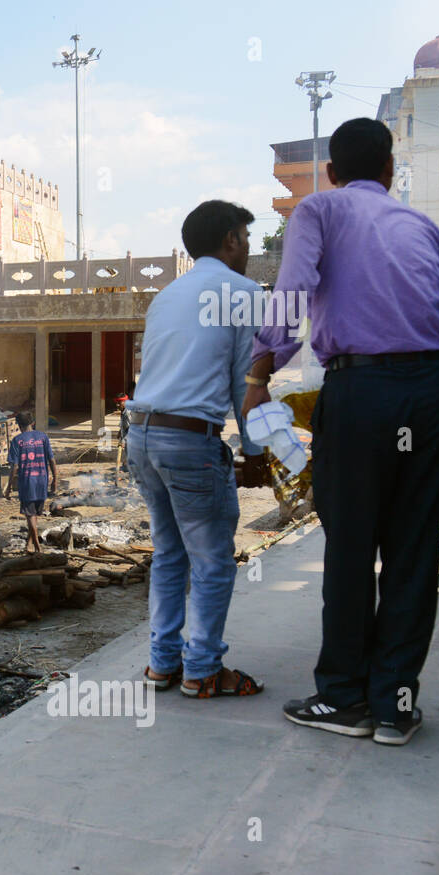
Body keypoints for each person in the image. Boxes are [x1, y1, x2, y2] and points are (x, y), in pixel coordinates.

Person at [247, 118, 439, 745]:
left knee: (350, 548)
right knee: (413, 551)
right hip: (431, 392)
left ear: (332, 172)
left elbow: (290, 297)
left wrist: (261, 376)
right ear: (391, 172)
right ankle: (394, 706)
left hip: (362, 392)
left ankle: (343, 699)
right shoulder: (422, 226)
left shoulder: (319, 210)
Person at [125, 200, 265, 699]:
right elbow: (245, 380)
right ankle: (202, 670)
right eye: (246, 239)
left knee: (168, 554)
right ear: (230, 239)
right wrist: (255, 451)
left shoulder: (165, 297)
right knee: (212, 561)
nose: (248, 249)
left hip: (140, 434)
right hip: (189, 441)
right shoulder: (246, 293)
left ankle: (162, 663)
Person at [7, 411, 56, 553]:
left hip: (27, 482)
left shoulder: (17, 441)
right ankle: (29, 545)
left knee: (30, 516)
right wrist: (55, 480)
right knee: (34, 515)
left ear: (18, 425)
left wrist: (9, 486)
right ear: (32, 423)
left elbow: (15, 466)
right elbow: (52, 460)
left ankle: (37, 547)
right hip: (42, 480)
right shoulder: (43, 437)